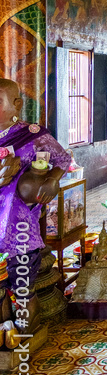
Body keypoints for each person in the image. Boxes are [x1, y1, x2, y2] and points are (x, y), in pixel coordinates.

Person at [0, 79, 70, 331]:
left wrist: (51, 180)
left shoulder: (32, 134)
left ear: (16, 104)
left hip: (18, 221)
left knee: (21, 287)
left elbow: (62, 158)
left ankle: (25, 337)